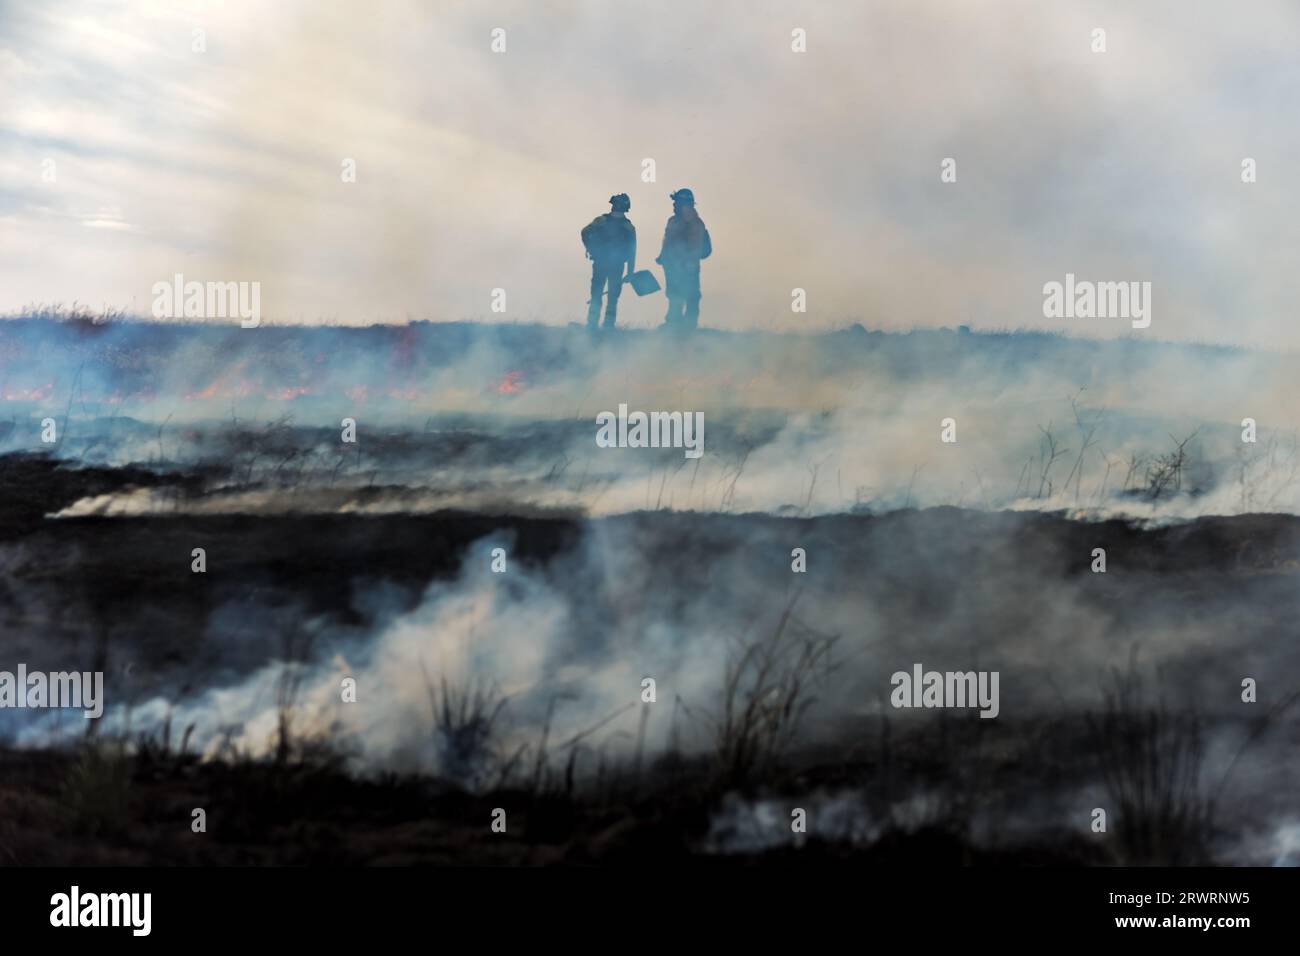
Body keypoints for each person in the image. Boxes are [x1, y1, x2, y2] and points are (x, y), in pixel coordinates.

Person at [656, 188, 711, 330]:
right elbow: (667, 241)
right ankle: (674, 324)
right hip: (672, 267)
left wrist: (686, 263)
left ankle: (689, 326)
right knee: (674, 295)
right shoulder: (673, 221)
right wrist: (662, 257)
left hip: (688, 267)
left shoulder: (696, 223)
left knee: (691, 296)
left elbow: (695, 246)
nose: (675, 206)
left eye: (677, 203)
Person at [581, 194, 636, 329]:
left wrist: (591, 249)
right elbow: (632, 252)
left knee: (601, 295)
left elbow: (584, 232)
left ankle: (594, 325)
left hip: (605, 264)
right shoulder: (627, 227)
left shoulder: (602, 221)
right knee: (609, 297)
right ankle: (604, 325)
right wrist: (630, 272)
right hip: (611, 265)